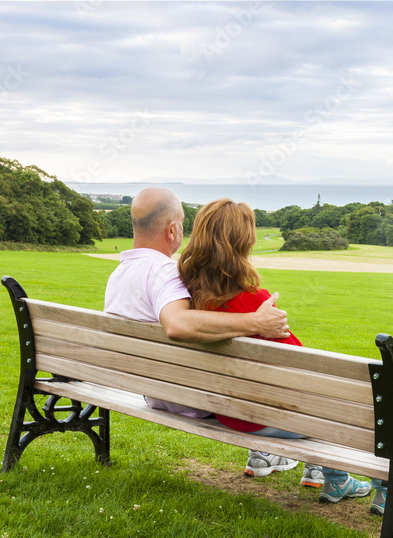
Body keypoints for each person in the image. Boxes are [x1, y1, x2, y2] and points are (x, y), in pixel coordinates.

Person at [177, 198, 382, 508]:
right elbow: (299, 362)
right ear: (245, 241)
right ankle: (388, 490)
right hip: (260, 416)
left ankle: (338, 480)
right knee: (360, 412)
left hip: (226, 410)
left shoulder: (185, 300)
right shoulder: (253, 302)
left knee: (326, 407)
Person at [103, 187, 299, 473]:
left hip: (150, 389)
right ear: (172, 231)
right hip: (189, 399)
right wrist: (255, 322)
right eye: (182, 223)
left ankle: (267, 454)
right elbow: (178, 325)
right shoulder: (164, 273)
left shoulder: (120, 273)